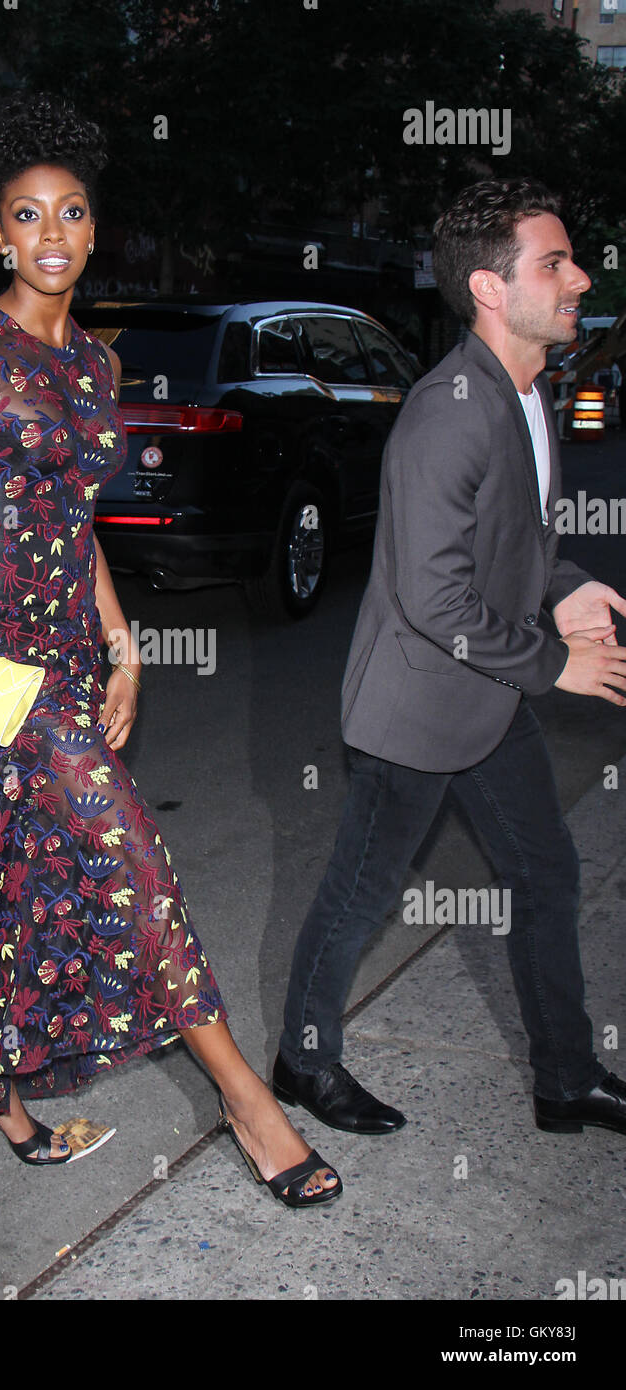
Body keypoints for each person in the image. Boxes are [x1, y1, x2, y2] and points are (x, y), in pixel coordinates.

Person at [0, 91, 340, 1206]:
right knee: (135, 861)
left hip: (71, 653)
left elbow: (76, 526)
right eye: (26, 217)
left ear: (92, 227)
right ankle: (245, 1100)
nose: (51, 235)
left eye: (70, 214)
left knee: (6, 875)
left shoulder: (99, 368)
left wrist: (127, 649)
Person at [275, 177, 626, 1141]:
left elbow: (514, 542)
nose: (577, 278)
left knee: (546, 874)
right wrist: (554, 664)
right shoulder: (448, 413)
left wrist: (563, 588)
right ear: (486, 285)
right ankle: (303, 1061)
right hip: (417, 708)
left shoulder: (528, 392)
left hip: (486, 697)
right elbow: (433, 599)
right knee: (363, 891)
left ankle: (564, 1078)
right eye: (553, 263)